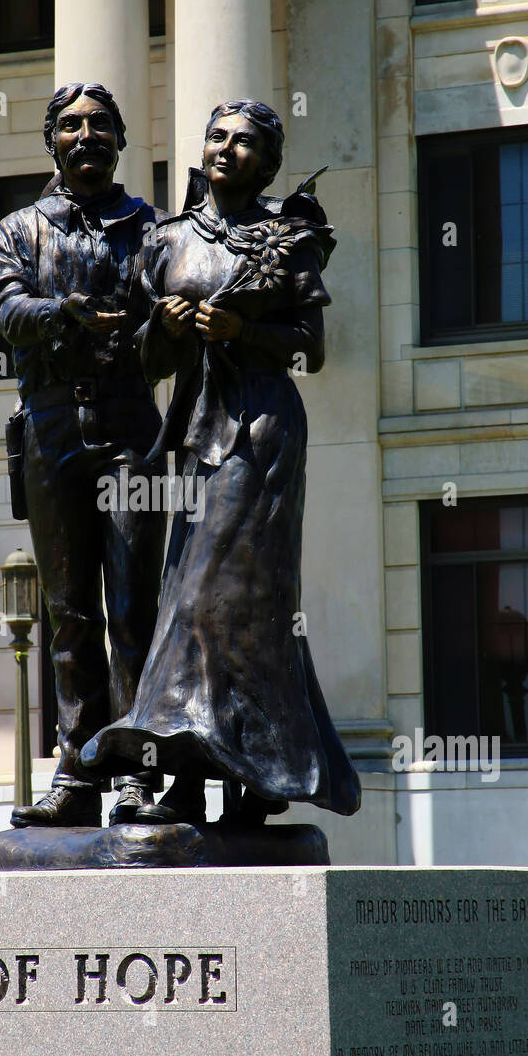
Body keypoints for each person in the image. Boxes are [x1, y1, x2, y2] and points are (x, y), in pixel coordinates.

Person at [80, 99, 361, 827]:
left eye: (245, 143)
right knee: (196, 601)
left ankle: (234, 769)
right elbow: (148, 359)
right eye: (217, 137)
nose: (226, 149)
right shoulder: (167, 242)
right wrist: (166, 333)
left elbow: (312, 348)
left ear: (266, 164)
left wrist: (245, 330)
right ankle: (216, 771)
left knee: (227, 601)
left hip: (262, 432)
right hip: (199, 434)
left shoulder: (288, 237)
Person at [0, 82, 167, 828]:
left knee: (131, 606)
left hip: (130, 426)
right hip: (53, 427)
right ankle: (78, 771)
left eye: (100, 124)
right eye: (71, 125)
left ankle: (134, 771)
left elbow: (168, 317)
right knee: (69, 613)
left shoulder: (151, 227)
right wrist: (61, 311)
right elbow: (5, 309)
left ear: (122, 140)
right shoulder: (21, 228)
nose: (86, 135)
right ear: (52, 142)